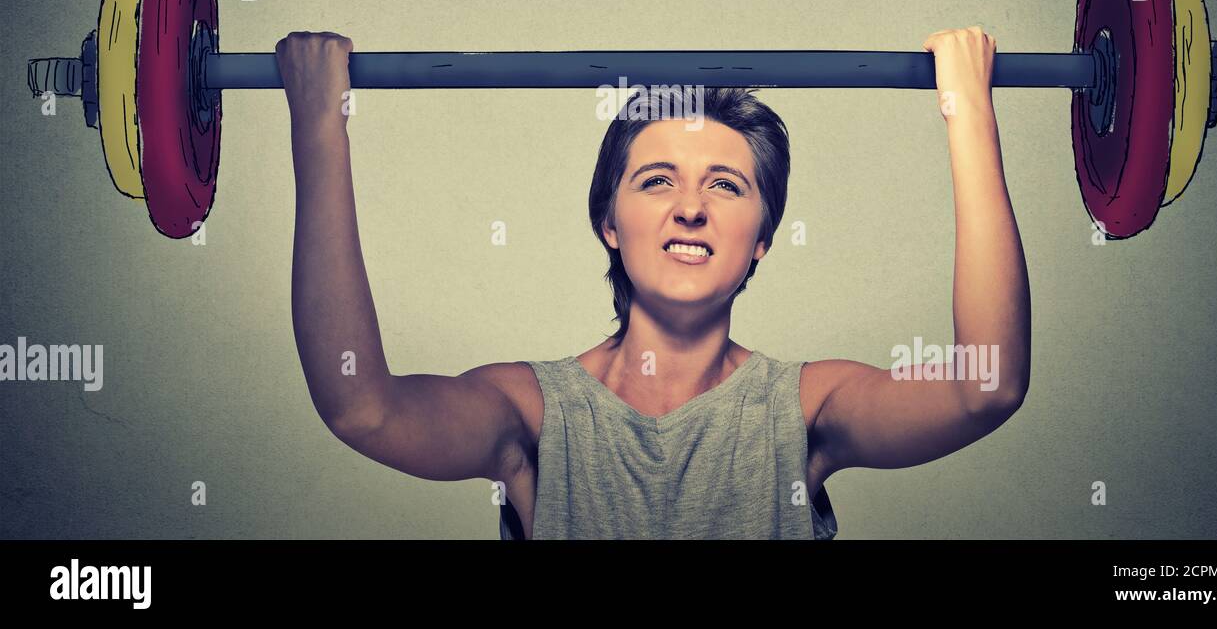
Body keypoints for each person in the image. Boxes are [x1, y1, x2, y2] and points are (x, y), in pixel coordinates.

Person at [276, 27, 1030, 540]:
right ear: (610, 220)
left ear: (763, 238)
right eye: (658, 179)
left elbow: (985, 388)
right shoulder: (532, 416)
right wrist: (318, 128)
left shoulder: (804, 409)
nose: (692, 208)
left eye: (728, 186)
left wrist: (967, 110)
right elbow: (362, 408)